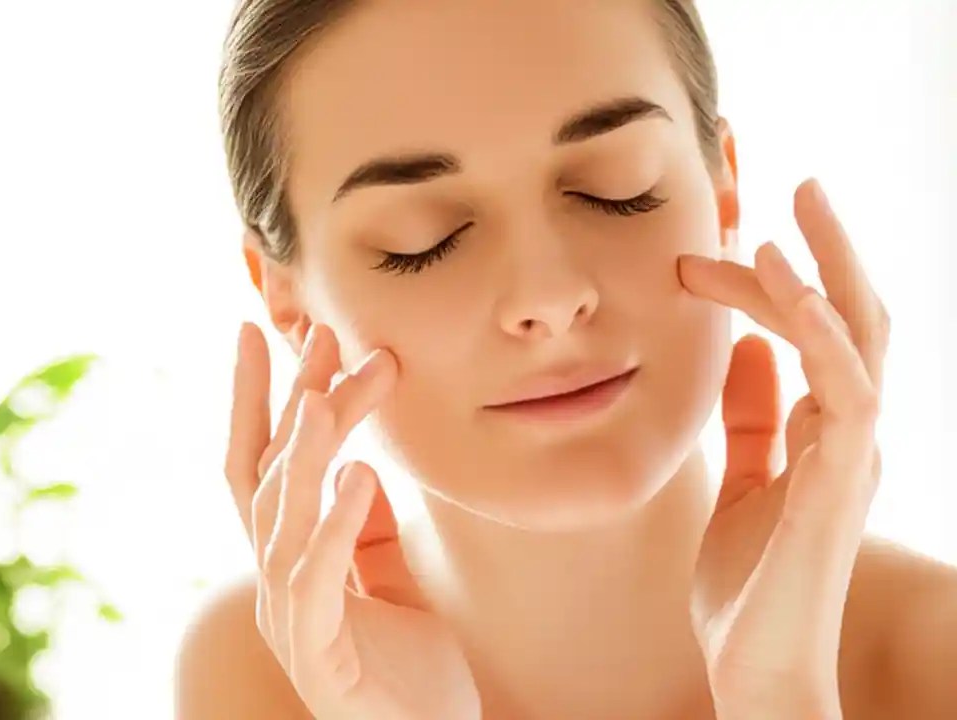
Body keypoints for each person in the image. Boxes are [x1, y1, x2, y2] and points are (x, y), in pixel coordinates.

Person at [177, 0, 957, 717]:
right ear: (286, 297)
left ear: (722, 191)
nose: (548, 297)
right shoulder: (251, 680)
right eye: (424, 239)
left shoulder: (933, 658)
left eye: (616, 189)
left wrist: (782, 693)